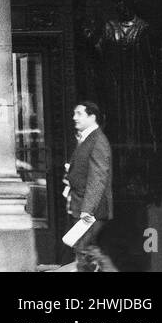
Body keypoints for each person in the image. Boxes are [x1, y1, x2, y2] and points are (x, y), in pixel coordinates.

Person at [65, 100, 117, 272]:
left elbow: (98, 178)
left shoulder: (97, 140)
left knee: (85, 250)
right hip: (82, 206)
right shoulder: (87, 138)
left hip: (90, 210)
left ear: (92, 117)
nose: (74, 118)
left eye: (79, 114)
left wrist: (87, 210)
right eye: (74, 114)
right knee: (86, 250)